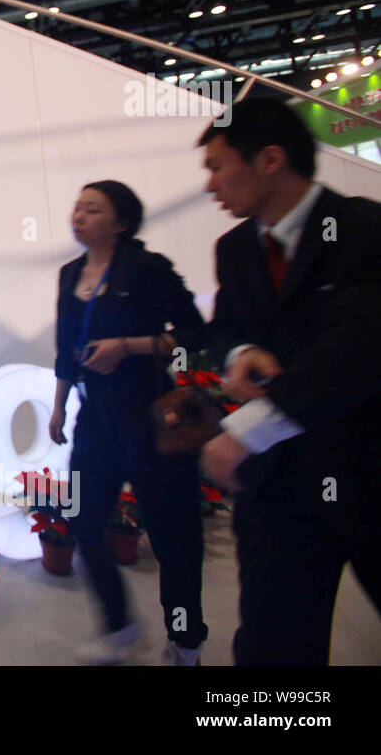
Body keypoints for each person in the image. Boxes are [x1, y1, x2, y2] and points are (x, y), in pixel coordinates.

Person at [197, 97, 381, 665]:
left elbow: (352, 352)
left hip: (369, 472)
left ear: (270, 159)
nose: (210, 186)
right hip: (281, 495)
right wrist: (243, 349)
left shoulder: (362, 228)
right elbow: (222, 328)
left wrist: (248, 429)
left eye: (218, 166)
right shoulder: (233, 249)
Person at [50, 181, 209, 664]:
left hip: (150, 418)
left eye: (92, 209)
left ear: (121, 222)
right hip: (95, 417)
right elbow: (65, 348)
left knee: (172, 538)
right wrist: (59, 406)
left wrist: (129, 346)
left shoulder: (147, 269)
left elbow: (193, 335)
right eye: (76, 206)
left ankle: (186, 639)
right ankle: (120, 626)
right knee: (83, 518)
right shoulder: (69, 273)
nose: (78, 215)